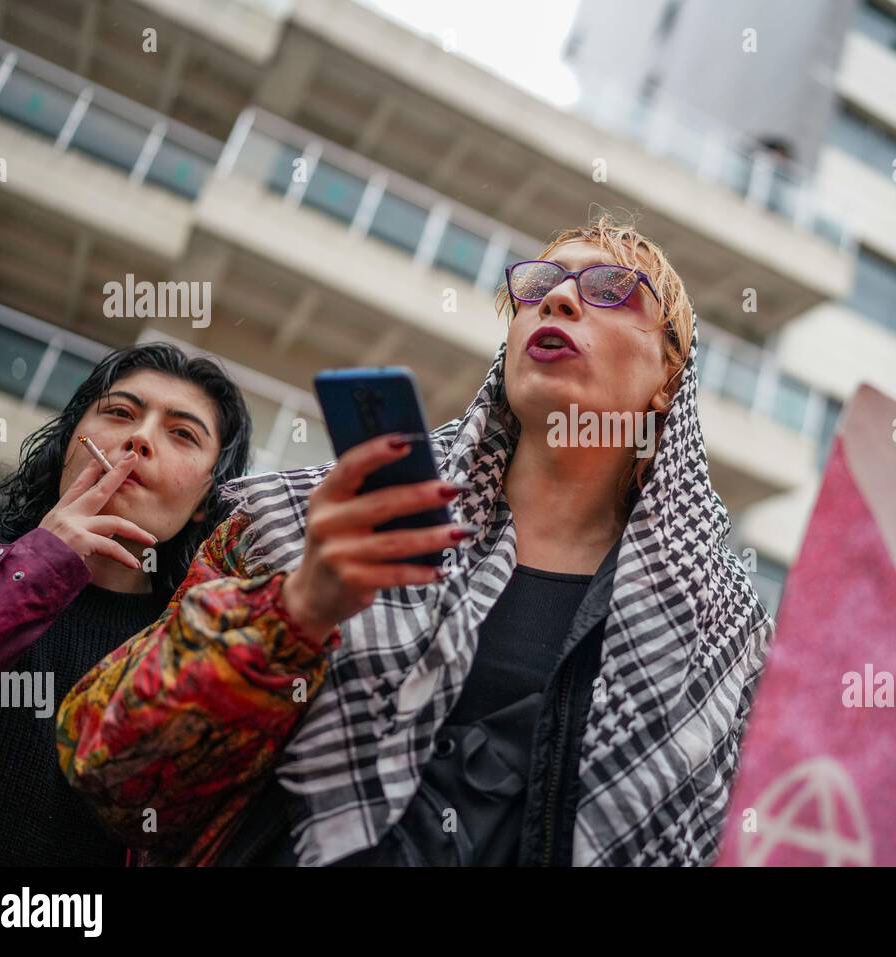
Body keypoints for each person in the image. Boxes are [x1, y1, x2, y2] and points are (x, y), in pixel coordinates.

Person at [58, 210, 777, 867]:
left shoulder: (726, 637)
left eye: (613, 288)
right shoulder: (312, 519)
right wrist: (297, 610)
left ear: (668, 379)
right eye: (537, 286)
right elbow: (111, 765)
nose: (557, 300)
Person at [0, 342, 252, 865]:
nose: (139, 437)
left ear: (207, 501)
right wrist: (41, 563)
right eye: (120, 412)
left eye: (182, 433)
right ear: (71, 441)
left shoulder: (197, 644)